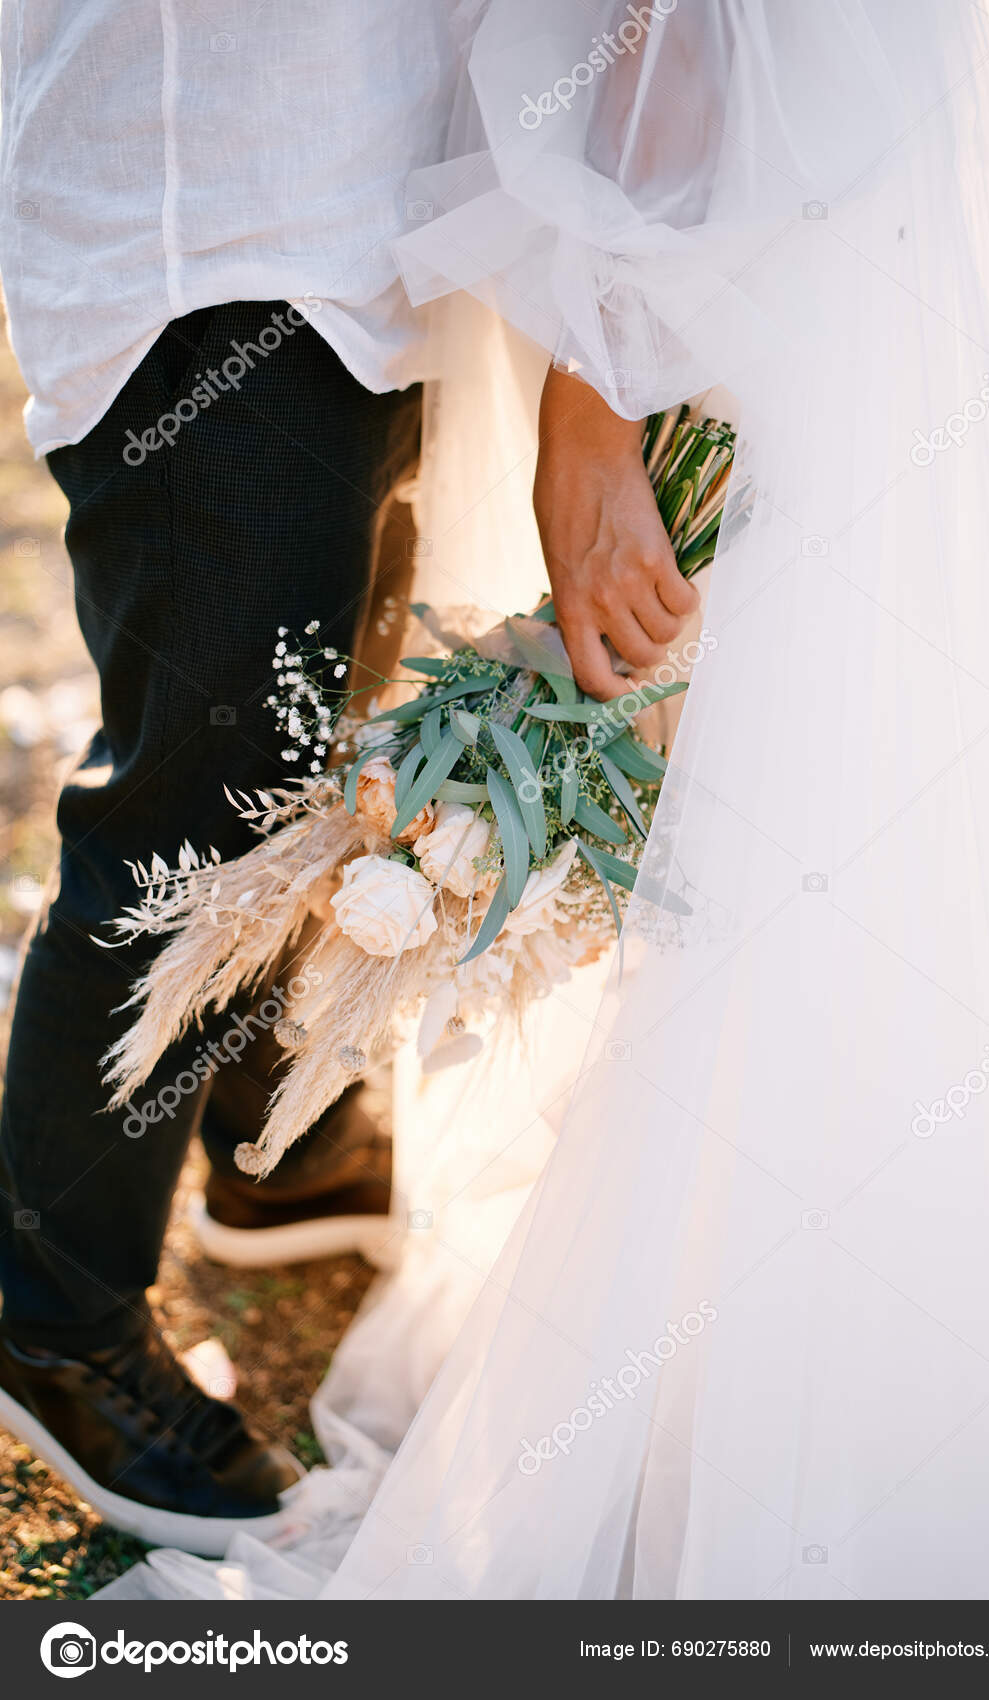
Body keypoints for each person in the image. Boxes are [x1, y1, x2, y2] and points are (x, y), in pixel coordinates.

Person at [0, 3, 698, 1554]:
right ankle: (52, 1306)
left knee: (329, 744)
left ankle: (271, 1140)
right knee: (198, 804)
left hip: (368, 214)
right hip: (217, 214)